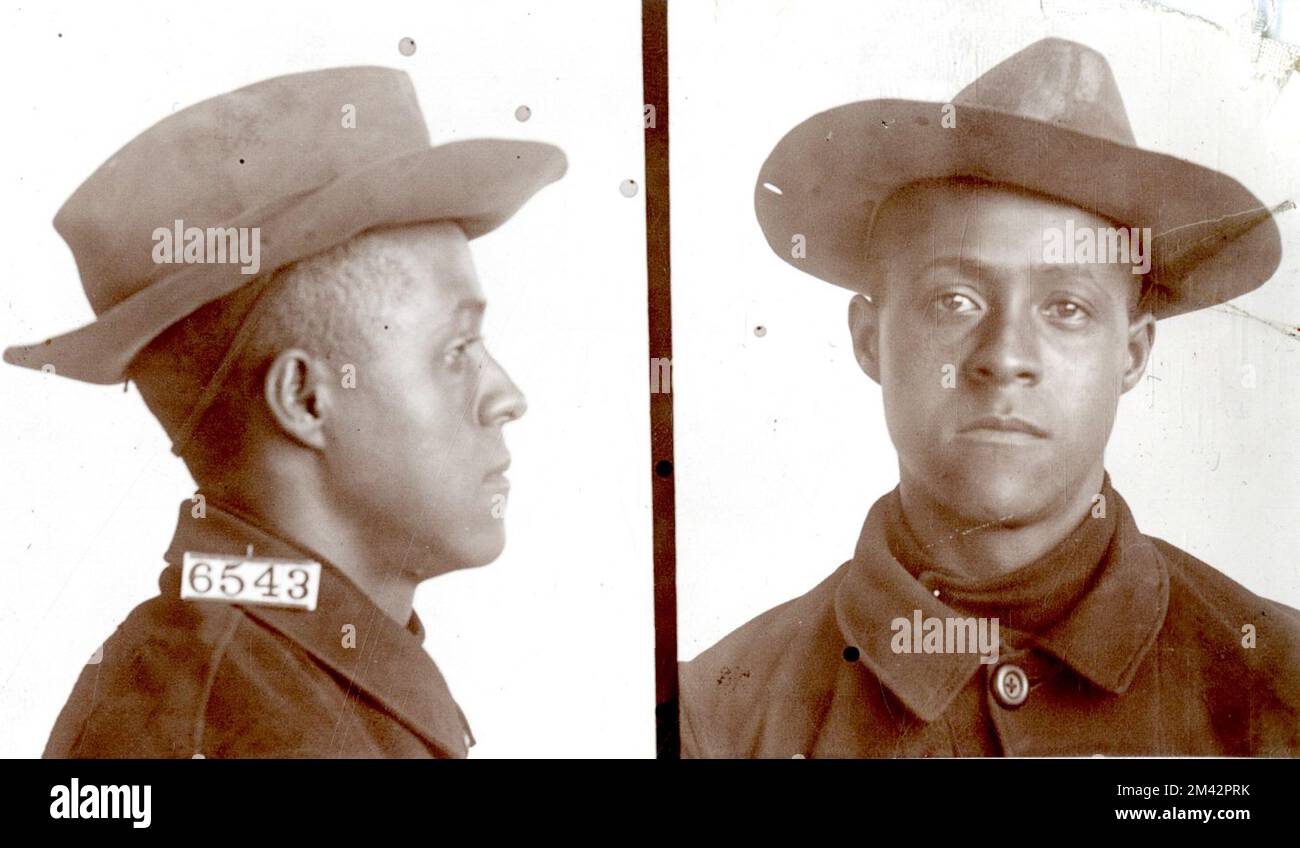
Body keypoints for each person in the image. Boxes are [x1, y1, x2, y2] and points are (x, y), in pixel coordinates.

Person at [679, 38, 1300, 757]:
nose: (1005, 357)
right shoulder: (720, 718)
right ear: (871, 339)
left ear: (1130, 355)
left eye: (1066, 307)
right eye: (955, 299)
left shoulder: (1278, 689)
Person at [5, 66, 566, 758]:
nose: (506, 396)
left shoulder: (286, 677)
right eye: (456, 350)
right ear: (303, 400)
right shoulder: (209, 718)